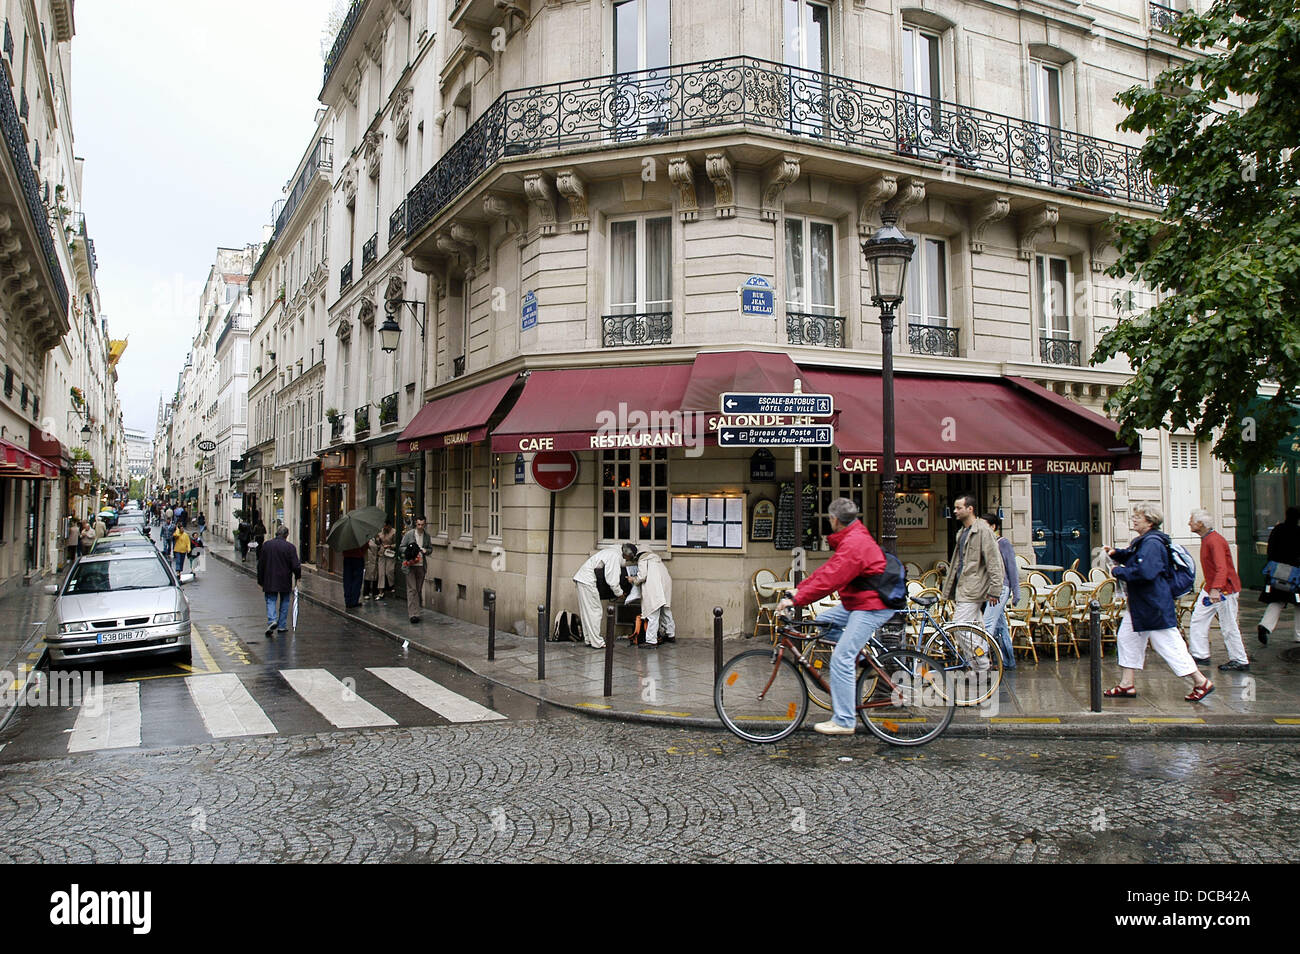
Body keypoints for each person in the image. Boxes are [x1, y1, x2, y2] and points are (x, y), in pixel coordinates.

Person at [776, 497, 894, 736]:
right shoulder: (852, 537)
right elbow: (828, 570)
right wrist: (802, 588)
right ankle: (862, 662)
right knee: (822, 622)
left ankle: (844, 720)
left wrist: (796, 600)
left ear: (834, 519)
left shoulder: (855, 543)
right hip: (859, 601)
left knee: (841, 657)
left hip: (872, 604)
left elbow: (832, 579)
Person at [1104, 504, 1214, 701]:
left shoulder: (1152, 543)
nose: (1134, 519)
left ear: (1150, 521)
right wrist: (1116, 554)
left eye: (1138, 516)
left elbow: (1145, 572)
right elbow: (1135, 558)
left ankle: (1200, 681)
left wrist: (1117, 571)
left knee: (1169, 645)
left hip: (1153, 604)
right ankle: (1126, 684)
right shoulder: (1146, 541)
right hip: (1141, 604)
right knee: (1127, 639)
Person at [1185, 509, 1247, 671]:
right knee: (1199, 619)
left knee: (1228, 624)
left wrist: (1216, 589)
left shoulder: (1213, 541)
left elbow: (1221, 567)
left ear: (1200, 524)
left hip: (1222, 589)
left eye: (1191, 520)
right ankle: (1200, 654)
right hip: (1215, 588)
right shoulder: (1211, 539)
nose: (1189, 523)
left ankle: (1239, 659)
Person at [941, 495, 1004, 628]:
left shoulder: (983, 531)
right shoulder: (962, 532)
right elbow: (957, 563)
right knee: (976, 629)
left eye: (959, 508)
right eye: (954, 508)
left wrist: (995, 590)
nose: (955, 511)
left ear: (970, 509)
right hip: (964, 587)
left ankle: (978, 649)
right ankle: (983, 648)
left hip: (973, 589)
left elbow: (994, 562)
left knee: (958, 627)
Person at [573, 545, 633, 649]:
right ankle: (597, 642)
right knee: (595, 611)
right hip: (588, 581)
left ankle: (589, 639)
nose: (628, 561)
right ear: (627, 555)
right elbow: (612, 580)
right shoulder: (615, 556)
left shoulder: (611, 551)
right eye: (630, 558)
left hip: (583, 579)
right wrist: (620, 593)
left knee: (587, 612)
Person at [981, 512, 1019, 671]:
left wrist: (1016, 592)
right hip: (990, 589)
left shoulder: (1002, 543)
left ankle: (979, 661)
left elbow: (1012, 568)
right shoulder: (986, 543)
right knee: (1000, 626)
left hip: (1000, 589)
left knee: (987, 624)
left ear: (993, 526)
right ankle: (1008, 660)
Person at [1258, 506, 1300, 645]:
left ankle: (1265, 625)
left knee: (1277, 601)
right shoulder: (1298, 531)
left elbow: (1270, 550)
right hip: (1295, 574)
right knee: (1299, 604)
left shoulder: (1278, 529)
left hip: (1277, 573)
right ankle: (1298, 635)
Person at [257, 526, 301, 636]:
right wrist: (297, 576)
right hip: (284, 579)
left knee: (271, 600)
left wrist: (260, 579)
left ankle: (272, 620)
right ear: (286, 535)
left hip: (270, 578)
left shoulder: (267, 545)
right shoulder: (290, 547)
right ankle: (281, 625)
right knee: (285, 601)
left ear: (276, 533)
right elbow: (296, 565)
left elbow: (261, 564)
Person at [627, 547, 674, 647]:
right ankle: (671, 634)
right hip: (665, 585)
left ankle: (651, 641)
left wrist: (633, 579)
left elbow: (642, 576)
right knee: (666, 611)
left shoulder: (643, 559)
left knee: (652, 613)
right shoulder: (657, 560)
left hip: (654, 588)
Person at [400, 516, 434, 623]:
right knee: (412, 589)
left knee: (418, 589)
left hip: (420, 565)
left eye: (422, 525)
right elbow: (401, 547)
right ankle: (413, 614)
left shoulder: (427, 536)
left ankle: (417, 612)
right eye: (418, 524)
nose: (420, 527)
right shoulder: (409, 534)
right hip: (410, 565)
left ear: (425, 525)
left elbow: (430, 549)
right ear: (416, 524)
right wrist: (411, 549)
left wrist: (425, 551)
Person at [342, 541, 366, 609]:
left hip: (347, 557)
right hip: (358, 557)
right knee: (357, 580)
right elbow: (365, 545)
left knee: (347, 580)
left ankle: (348, 601)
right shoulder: (360, 533)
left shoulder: (345, 536)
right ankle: (354, 601)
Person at [377, 522, 397, 599]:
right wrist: (378, 540)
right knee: (381, 573)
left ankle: (392, 586)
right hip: (382, 554)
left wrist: (390, 546)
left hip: (390, 553)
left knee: (389, 571)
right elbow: (378, 543)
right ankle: (380, 592)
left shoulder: (394, 532)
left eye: (386, 526)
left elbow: (397, 543)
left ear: (389, 526)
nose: (384, 527)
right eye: (384, 526)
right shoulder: (380, 532)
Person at [363, 531, 380, 601]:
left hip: (376, 559)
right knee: (368, 575)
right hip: (369, 559)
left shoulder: (377, 538)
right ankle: (366, 592)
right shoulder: (366, 539)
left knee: (375, 576)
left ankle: (374, 592)